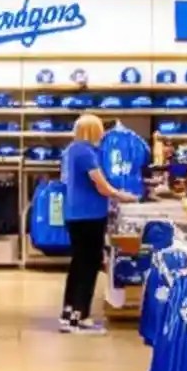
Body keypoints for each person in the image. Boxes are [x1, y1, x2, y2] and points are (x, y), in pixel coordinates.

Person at [59, 114, 137, 335]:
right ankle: (79, 317)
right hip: (89, 216)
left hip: (76, 214)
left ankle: (69, 314)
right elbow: (102, 186)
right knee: (88, 265)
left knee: (79, 265)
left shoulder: (72, 150)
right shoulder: (85, 151)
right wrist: (123, 196)